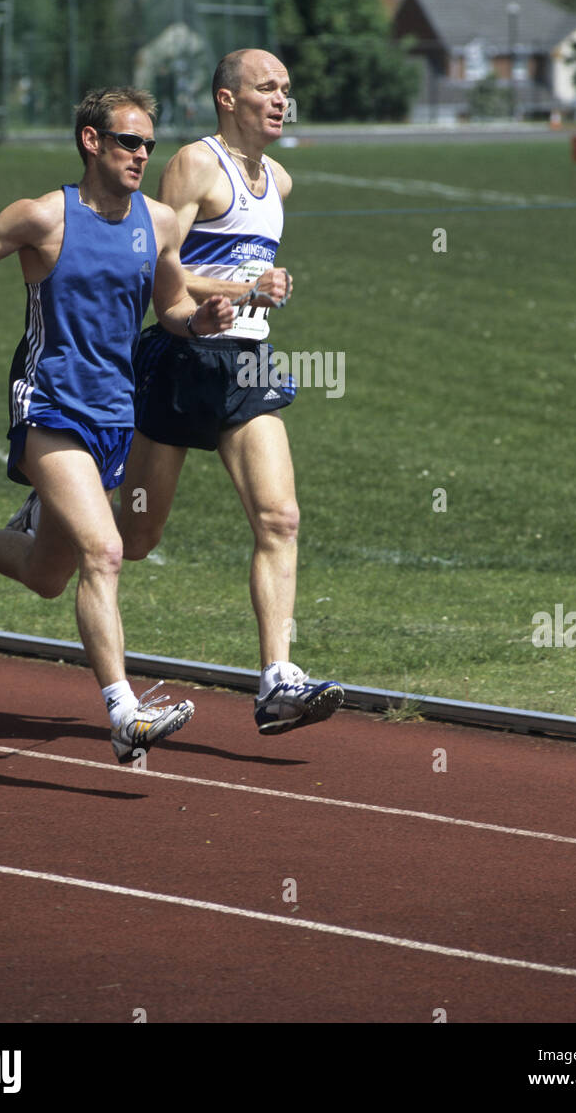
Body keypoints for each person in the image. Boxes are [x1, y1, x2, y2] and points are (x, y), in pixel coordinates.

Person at [0, 86, 234, 763]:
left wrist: (197, 322)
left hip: (117, 412)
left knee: (48, 573)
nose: (143, 154)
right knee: (105, 551)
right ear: (92, 141)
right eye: (128, 141)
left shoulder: (161, 222)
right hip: (48, 405)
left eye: (148, 143)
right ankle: (123, 712)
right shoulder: (43, 217)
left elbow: (170, 308)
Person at [124, 48, 344, 735]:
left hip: (246, 364)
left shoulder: (277, 180)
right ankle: (45, 515)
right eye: (265, 89)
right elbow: (158, 277)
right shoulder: (194, 164)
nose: (281, 101)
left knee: (280, 519)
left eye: (286, 89)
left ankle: (277, 680)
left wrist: (255, 298)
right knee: (135, 537)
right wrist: (235, 292)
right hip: (180, 360)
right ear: (227, 99)